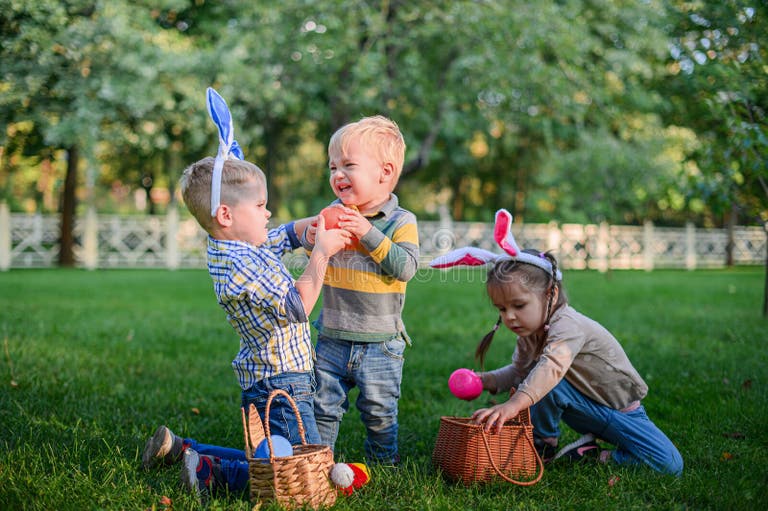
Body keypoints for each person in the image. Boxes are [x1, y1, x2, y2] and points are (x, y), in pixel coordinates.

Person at [142, 88, 351, 498]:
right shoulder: (245, 266)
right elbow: (298, 305)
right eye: (261, 205)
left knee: (275, 451)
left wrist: (304, 229)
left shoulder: (230, 249)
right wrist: (321, 253)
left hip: (263, 377)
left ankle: (186, 451)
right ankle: (212, 475)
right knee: (301, 470)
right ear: (227, 214)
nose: (268, 212)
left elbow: (273, 239)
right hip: (283, 383)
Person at [431, 209, 683, 477]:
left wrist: (512, 406)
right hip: (583, 407)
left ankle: (594, 456)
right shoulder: (529, 333)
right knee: (538, 377)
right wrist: (485, 380)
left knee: (670, 465)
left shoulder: (568, 326)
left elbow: (551, 367)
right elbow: (520, 371)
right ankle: (542, 445)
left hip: (621, 412)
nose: (510, 316)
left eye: (519, 305)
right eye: (502, 309)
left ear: (550, 293)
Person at [301, 115, 419, 465]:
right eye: (332, 166)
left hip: (381, 342)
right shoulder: (333, 214)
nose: (337, 174)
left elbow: (406, 267)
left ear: (384, 172)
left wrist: (367, 233)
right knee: (322, 405)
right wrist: (314, 240)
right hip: (333, 336)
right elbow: (316, 256)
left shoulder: (402, 221)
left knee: (379, 411)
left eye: (348, 165)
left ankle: (384, 463)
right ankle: (319, 465)